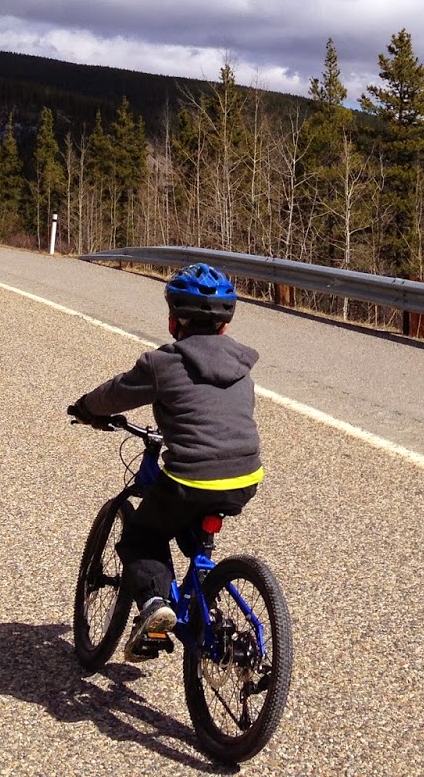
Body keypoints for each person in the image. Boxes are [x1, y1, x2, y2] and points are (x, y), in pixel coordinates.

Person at [68, 263, 262, 661]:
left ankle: (155, 607)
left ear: (175, 319)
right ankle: (205, 589)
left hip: (190, 478)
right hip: (246, 476)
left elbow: (117, 394)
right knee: (188, 518)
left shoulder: (164, 363)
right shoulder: (244, 368)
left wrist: (87, 408)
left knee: (141, 536)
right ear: (225, 325)